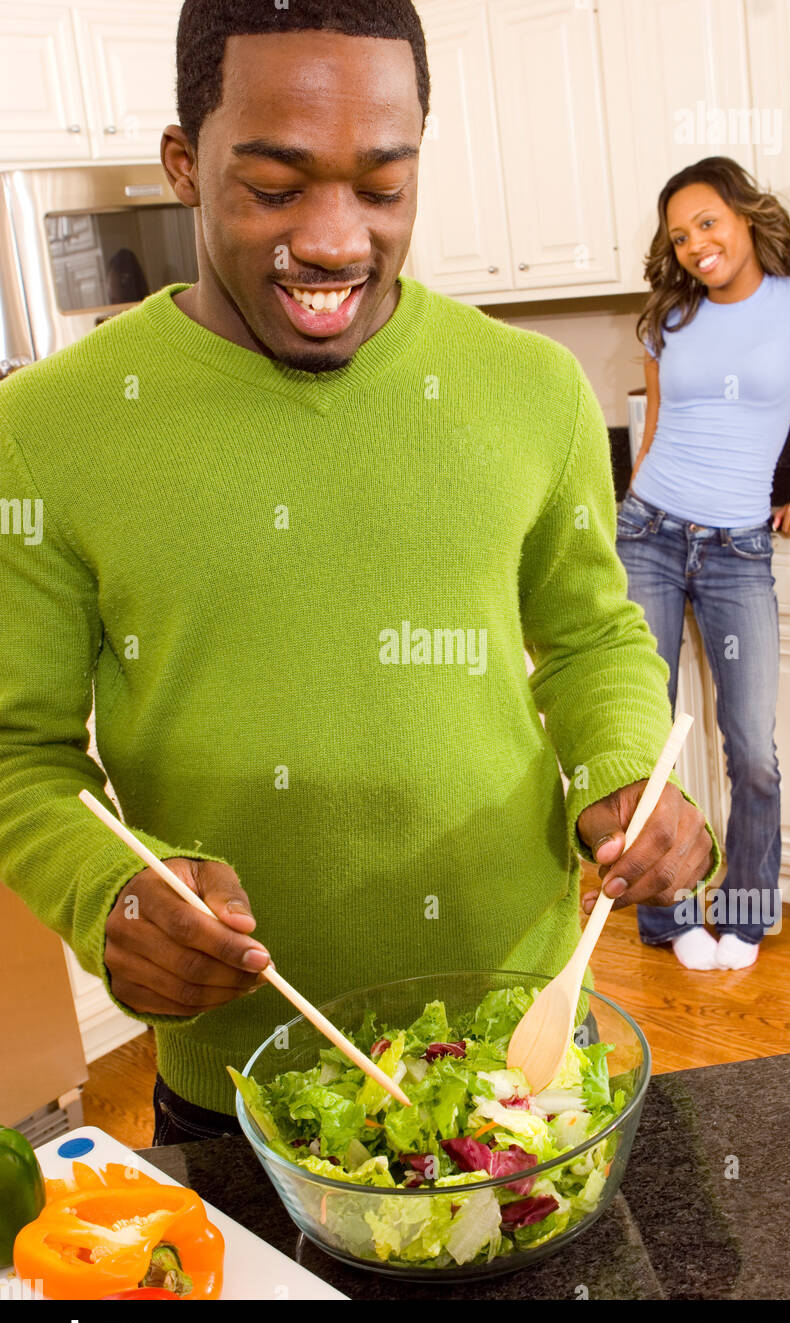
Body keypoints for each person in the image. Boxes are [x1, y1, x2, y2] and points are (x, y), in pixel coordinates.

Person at [0, 0, 717, 1146]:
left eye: (381, 187)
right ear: (184, 165)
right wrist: (105, 892)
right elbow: (17, 753)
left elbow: (589, 639)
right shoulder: (43, 430)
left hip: (517, 1051)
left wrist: (624, 771)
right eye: (275, 187)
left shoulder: (528, 390)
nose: (335, 239)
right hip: (241, 1082)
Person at [613, 156, 790, 972]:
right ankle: (665, 917)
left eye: (708, 221)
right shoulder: (666, 319)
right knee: (646, 741)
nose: (695, 244)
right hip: (647, 534)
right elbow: (653, 433)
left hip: (739, 548)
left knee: (750, 746)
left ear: (747, 217)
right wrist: (625, 519)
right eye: (679, 235)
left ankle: (744, 910)